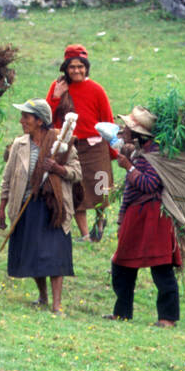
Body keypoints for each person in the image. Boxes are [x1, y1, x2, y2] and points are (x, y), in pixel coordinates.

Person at [0, 99, 81, 314]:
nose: (22, 121)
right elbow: (8, 177)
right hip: (27, 205)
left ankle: (56, 303)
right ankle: (42, 296)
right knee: (33, 253)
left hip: (54, 207)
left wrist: (58, 169)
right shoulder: (19, 145)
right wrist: (1, 208)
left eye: (26, 117)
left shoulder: (62, 143)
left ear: (40, 121)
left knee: (55, 255)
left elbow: (77, 173)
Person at [107, 106, 181, 327]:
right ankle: (122, 312)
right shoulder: (140, 153)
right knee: (122, 264)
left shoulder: (156, 155)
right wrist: (121, 217)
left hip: (154, 216)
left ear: (138, 133)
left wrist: (129, 168)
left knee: (161, 267)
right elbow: (130, 190)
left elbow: (150, 185)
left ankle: (167, 319)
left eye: (128, 128)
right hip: (136, 216)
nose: (124, 130)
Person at [46, 44, 116, 244]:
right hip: (69, 147)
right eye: (72, 67)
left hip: (95, 147)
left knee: (101, 187)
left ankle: (100, 222)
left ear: (86, 67)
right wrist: (56, 97)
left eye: (80, 66)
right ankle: (85, 235)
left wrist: (113, 150)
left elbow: (107, 120)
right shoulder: (57, 87)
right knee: (77, 191)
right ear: (65, 68)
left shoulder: (96, 89)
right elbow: (47, 118)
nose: (77, 71)